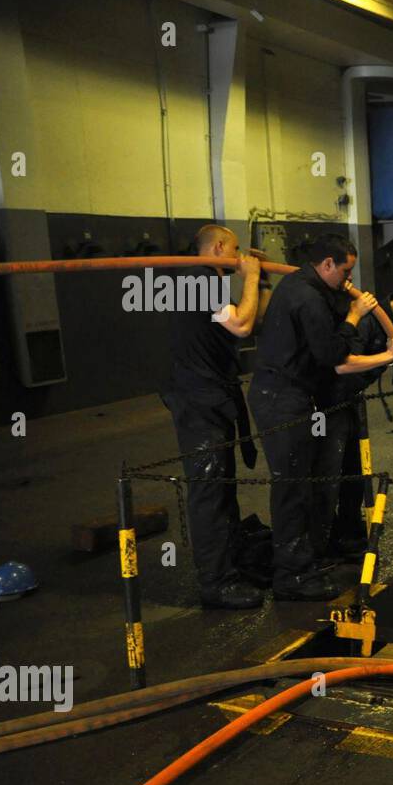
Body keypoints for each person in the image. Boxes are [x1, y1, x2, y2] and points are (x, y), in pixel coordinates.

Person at [247, 232, 393, 601]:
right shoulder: (305, 297)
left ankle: (303, 562)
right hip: (282, 399)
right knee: (291, 487)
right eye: (345, 271)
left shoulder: (307, 287)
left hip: (291, 395)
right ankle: (291, 577)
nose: (349, 281)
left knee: (302, 484)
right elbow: (333, 355)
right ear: (327, 264)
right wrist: (357, 319)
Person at [162, 224, 263, 609]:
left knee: (222, 487)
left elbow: (250, 316)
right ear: (219, 246)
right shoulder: (195, 279)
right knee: (208, 491)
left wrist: (260, 282)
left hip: (210, 397)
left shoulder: (202, 282)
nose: (239, 256)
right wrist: (250, 277)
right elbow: (242, 325)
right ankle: (216, 583)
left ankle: (231, 564)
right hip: (197, 402)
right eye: (235, 249)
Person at [312, 275, 393, 562]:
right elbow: (342, 365)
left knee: (354, 472)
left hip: (352, 399)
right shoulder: (371, 318)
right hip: (327, 401)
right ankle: (317, 547)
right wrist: (387, 355)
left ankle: (347, 535)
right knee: (328, 473)